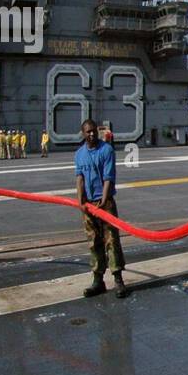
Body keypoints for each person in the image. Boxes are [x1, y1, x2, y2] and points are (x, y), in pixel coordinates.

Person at [75, 118, 127, 298]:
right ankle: (98, 281)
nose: (91, 134)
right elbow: (79, 178)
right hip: (89, 205)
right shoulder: (79, 154)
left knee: (111, 240)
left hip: (105, 202)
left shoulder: (106, 150)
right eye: (88, 132)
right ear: (83, 134)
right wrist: (80, 202)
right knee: (93, 242)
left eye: (93, 131)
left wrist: (104, 201)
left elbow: (108, 178)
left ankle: (118, 280)